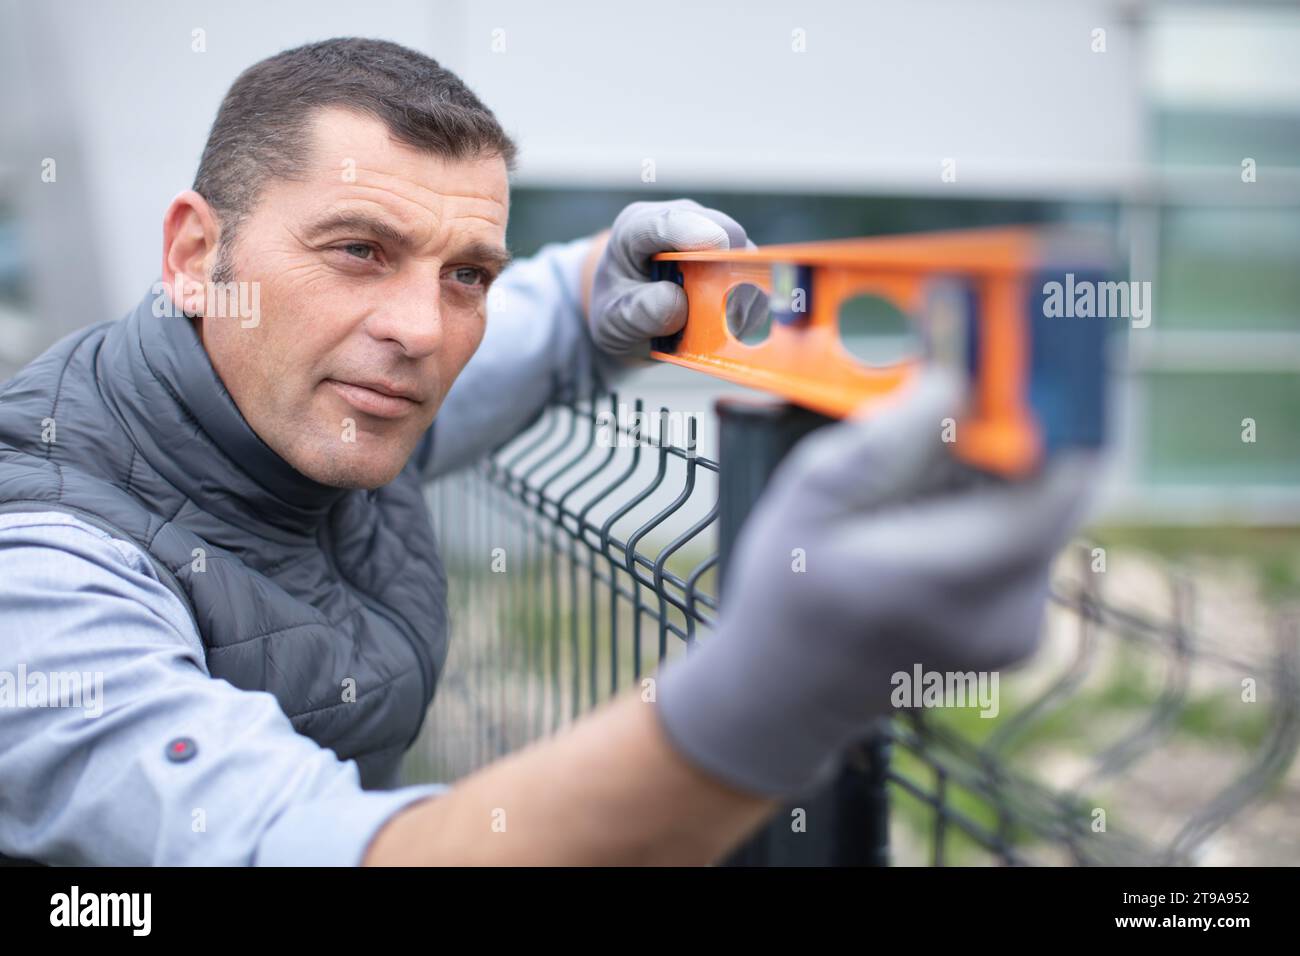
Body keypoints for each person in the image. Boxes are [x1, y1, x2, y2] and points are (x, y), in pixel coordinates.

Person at [0, 38, 1094, 865]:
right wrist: (769, 694)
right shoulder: (44, 578)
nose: (422, 332)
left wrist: (595, 293)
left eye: (465, 272)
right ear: (196, 255)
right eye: (356, 251)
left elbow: (519, 334)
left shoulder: (316, 399)